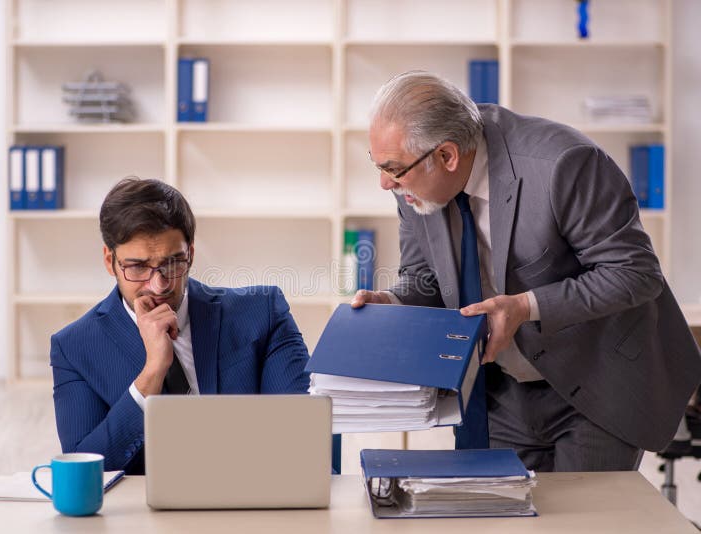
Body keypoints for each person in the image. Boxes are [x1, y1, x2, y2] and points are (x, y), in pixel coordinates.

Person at [353, 70, 701, 472]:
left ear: (447, 156)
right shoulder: (412, 182)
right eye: (378, 165)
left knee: (581, 509)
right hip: (503, 391)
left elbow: (634, 272)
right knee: (497, 504)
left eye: (393, 169)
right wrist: (393, 300)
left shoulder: (562, 164)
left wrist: (524, 306)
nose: (385, 183)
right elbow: (425, 278)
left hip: (594, 380)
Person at [50, 178, 310, 474]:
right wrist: (152, 373)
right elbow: (82, 470)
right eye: (138, 267)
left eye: (173, 263)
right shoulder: (74, 348)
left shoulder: (263, 313)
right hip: (146, 503)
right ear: (110, 261)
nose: (158, 285)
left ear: (191, 255)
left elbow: (305, 435)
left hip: (255, 490)